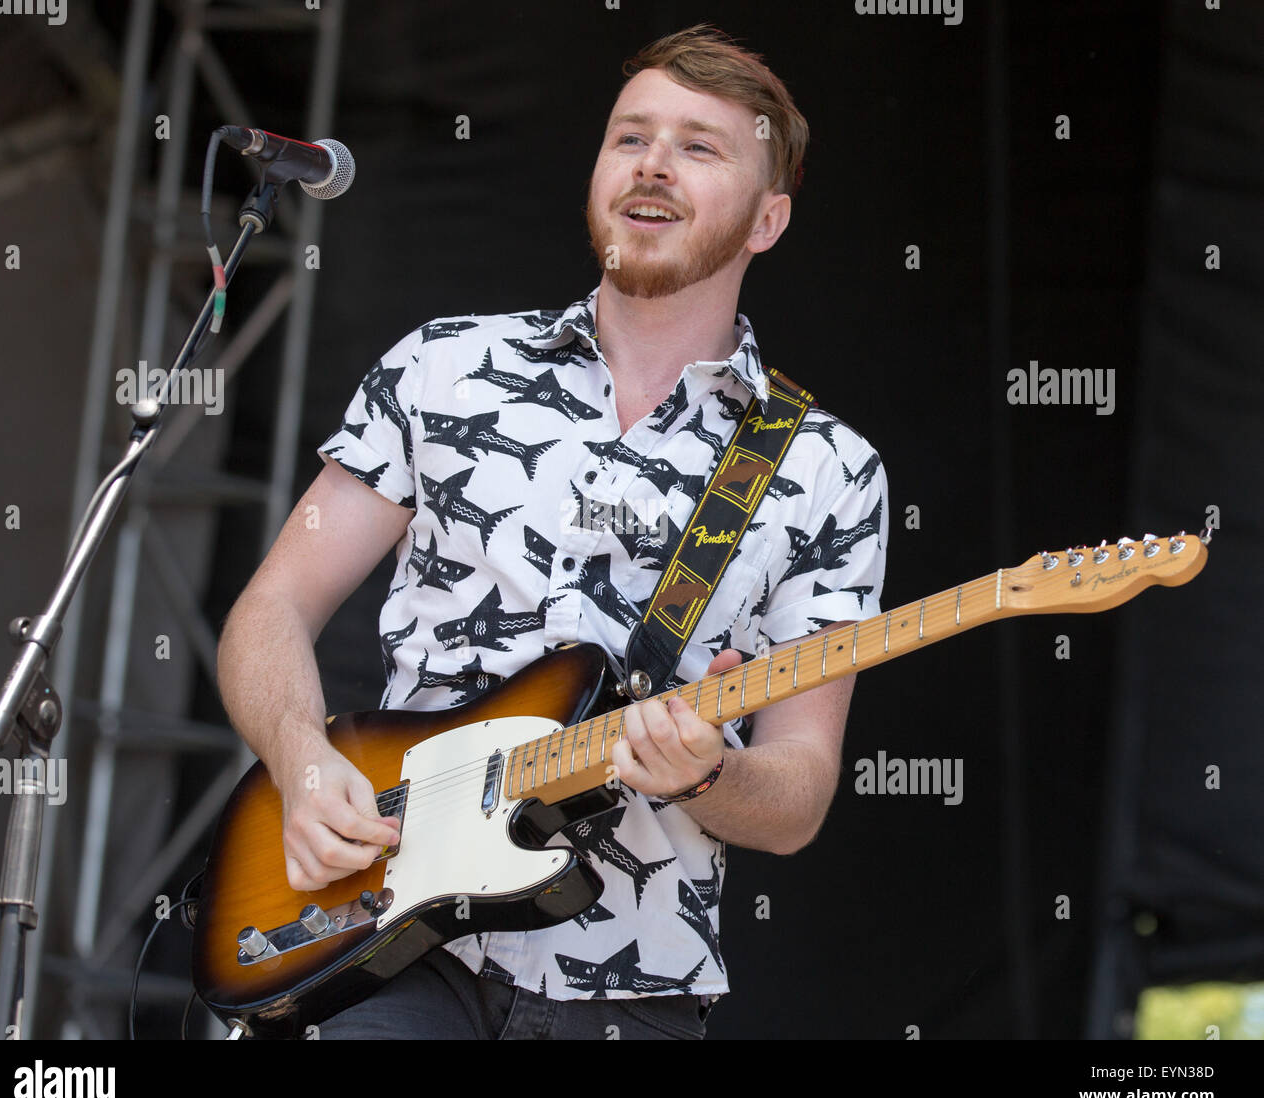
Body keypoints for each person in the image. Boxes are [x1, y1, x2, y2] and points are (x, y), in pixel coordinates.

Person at [215, 23, 887, 1040]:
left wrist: (710, 770)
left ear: (766, 220)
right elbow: (272, 605)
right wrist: (301, 757)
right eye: (630, 137)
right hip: (385, 936)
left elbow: (795, 796)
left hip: (633, 981)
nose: (653, 164)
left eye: (700, 147)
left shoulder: (827, 471)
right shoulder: (440, 371)